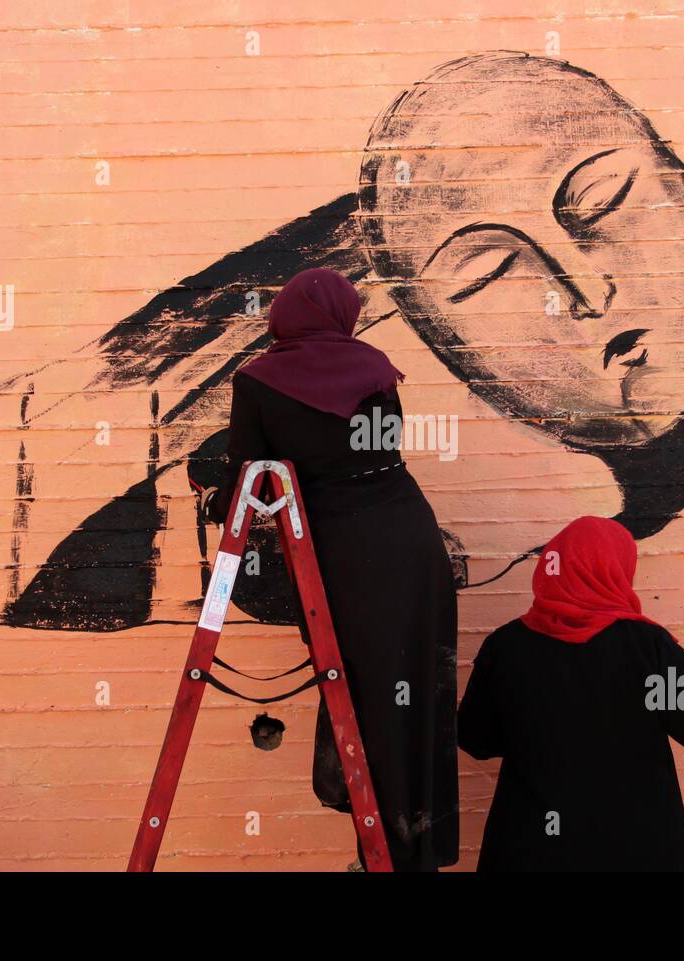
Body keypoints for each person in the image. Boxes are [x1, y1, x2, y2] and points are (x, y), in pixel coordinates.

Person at [202, 267, 459, 871]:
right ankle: (408, 852)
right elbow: (377, 455)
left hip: (344, 555)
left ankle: (386, 856)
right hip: (411, 541)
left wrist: (215, 500)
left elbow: (248, 480)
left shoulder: (259, 380)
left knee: (362, 696)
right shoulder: (373, 369)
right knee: (417, 692)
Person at [456, 515, 684, 871]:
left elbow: (476, 740)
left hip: (528, 853)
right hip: (640, 854)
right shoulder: (647, 650)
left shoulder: (505, 647)